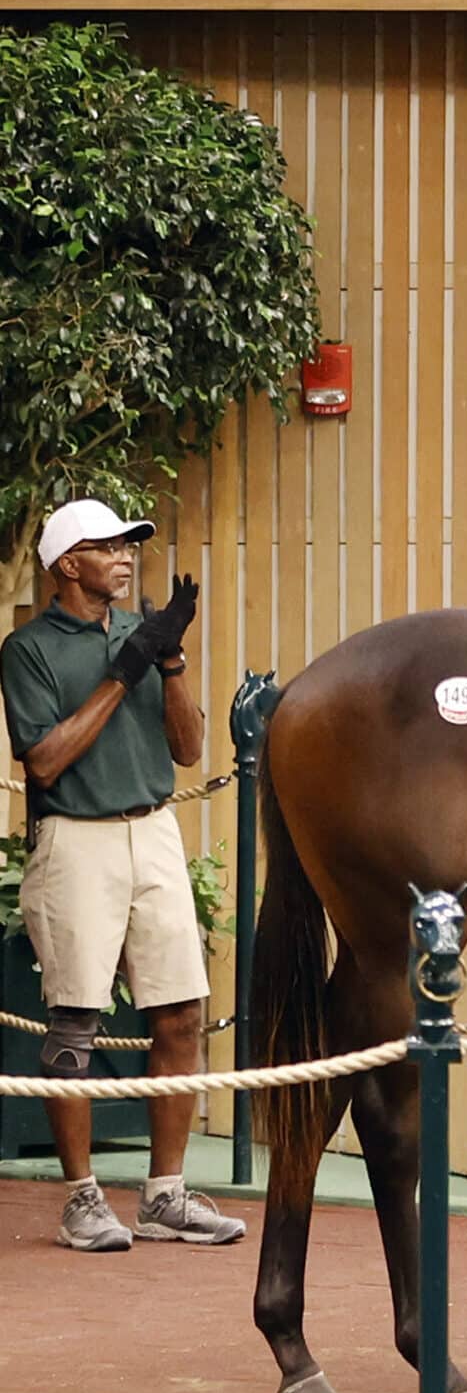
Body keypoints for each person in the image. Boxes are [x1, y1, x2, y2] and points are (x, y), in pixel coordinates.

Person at [0, 499, 245, 1252]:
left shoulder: (141, 637)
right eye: (108, 546)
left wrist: (167, 660)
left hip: (155, 830)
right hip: (76, 840)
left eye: (130, 544)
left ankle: (165, 1194)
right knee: (76, 1023)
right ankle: (82, 1198)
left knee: (180, 1011)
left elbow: (191, 748)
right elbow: (42, 758)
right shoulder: (29, 648)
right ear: (67, 564)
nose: (127, 555)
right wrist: (121, 671)